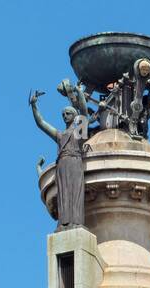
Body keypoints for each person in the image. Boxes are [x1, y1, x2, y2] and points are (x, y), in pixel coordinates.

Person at [29, 91, 88, 229]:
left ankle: (76, 222)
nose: (65, 116)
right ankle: (63, 223)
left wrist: (80, 94)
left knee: (75, 192)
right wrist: (34, 105)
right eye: (63, 114)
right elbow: (41, 123)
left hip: (74, 162)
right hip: (62, 164)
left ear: (74, 117)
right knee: (63, 194)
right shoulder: (60, 135)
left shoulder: (78, 134)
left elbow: (84, 114)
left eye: (68, 113)